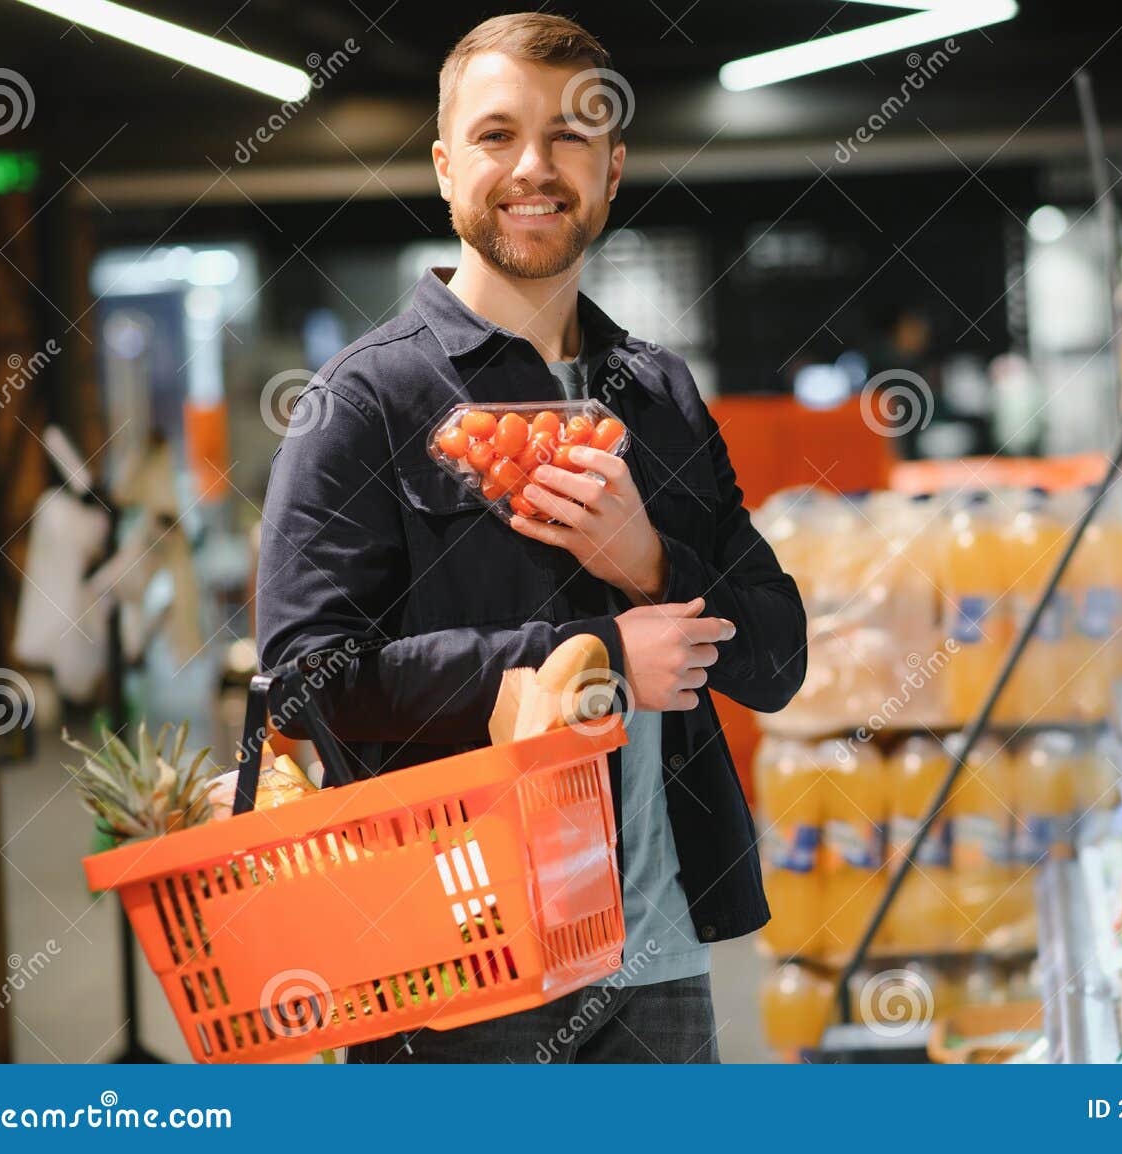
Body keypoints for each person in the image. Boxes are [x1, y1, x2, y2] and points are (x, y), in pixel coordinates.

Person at [256, 12, 807, 1063]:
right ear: (444, 164)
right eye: (497, 134)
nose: (533, 167)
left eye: (569, 134)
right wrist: (585, 659)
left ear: (611, 165)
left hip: (658, 955)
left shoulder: (658, 394)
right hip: (456, 962)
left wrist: (646, 562)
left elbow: (778, 655)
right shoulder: (364, 400)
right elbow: (304, 680)